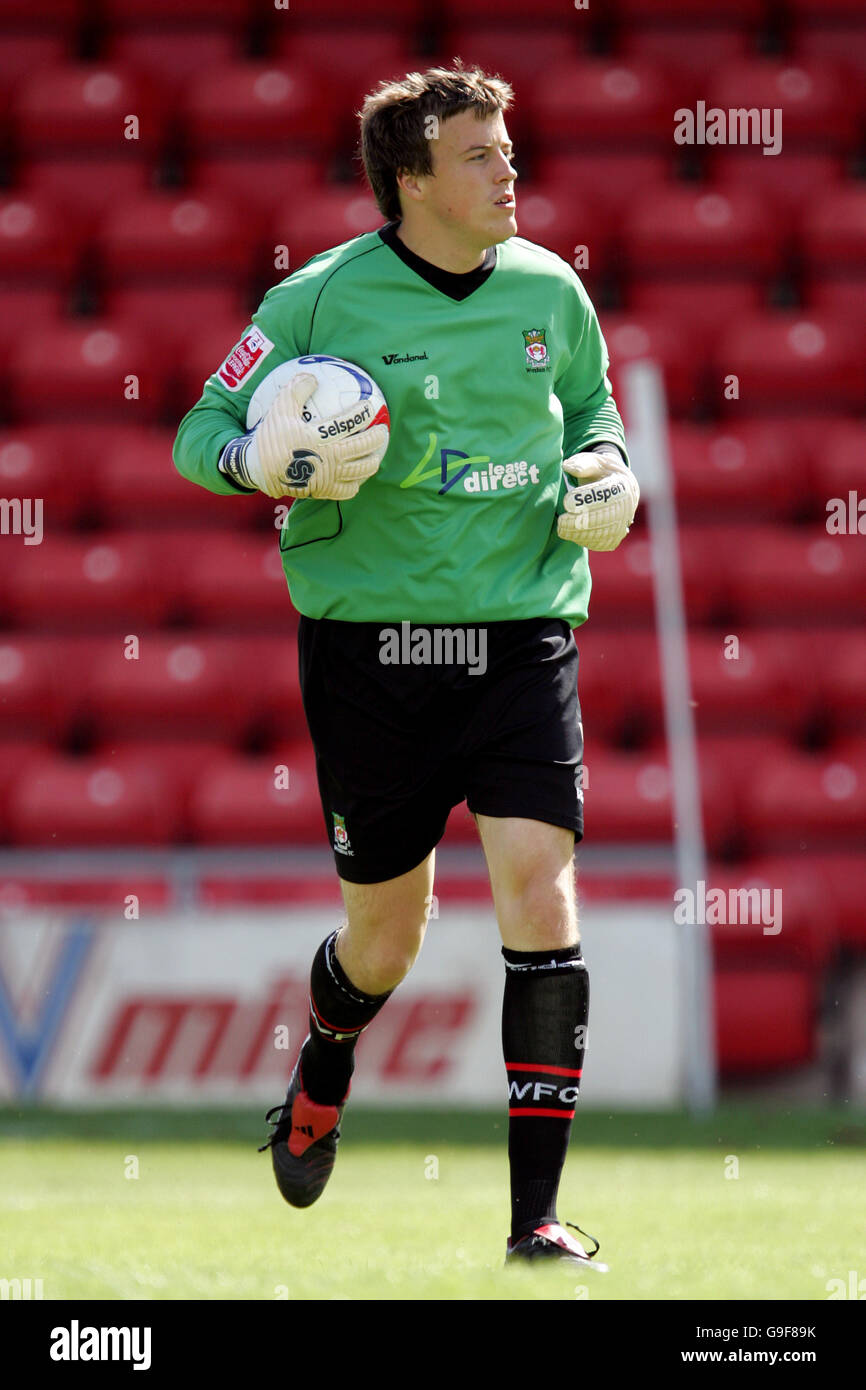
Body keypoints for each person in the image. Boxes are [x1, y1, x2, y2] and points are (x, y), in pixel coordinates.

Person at [172, 60, 639, 1269]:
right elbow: (197, 432)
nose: (506, 173)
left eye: (507, 150)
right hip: (370, 651)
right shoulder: (316, 301)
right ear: (411, 180)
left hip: (520, 633)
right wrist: (262, 466)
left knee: (540, 894)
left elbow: (593, 414)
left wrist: (605, 473)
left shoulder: (551, 288)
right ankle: (324, 1065)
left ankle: (533, 1217)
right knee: (386, 939)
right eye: (479, 157)